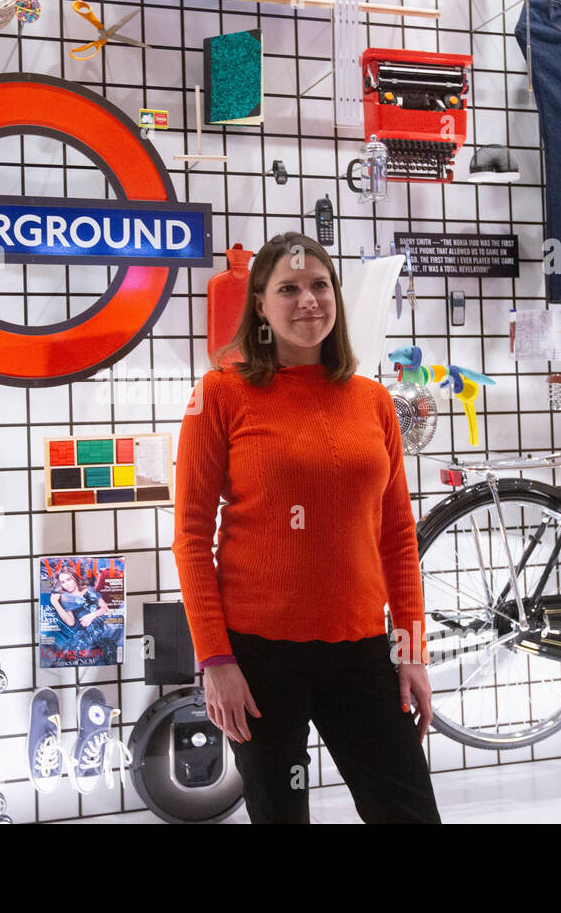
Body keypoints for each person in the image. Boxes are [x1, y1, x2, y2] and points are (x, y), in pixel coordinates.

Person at [172, 231, 441, 824]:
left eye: (320, 285)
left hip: (363, 652)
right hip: (260, 661)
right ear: (260, 306)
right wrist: (216, 662)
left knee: (410, 812)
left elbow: (397, 535)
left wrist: (413, 650)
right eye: (288, 288)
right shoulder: (221, 395)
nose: (308, 300)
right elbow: (191, 537)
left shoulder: (372, 401)